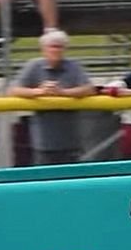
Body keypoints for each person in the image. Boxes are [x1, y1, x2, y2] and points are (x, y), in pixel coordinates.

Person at [8, 30, 95, 165]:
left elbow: (89, 89)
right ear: (43, 49)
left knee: (72, 177)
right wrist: (39, 92)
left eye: (59, 47)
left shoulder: (74, 66)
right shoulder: (34, 66)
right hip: (43, 141)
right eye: (52, 46)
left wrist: (63, 92)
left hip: (71, 139)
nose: (56, 50)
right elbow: (14, 90)